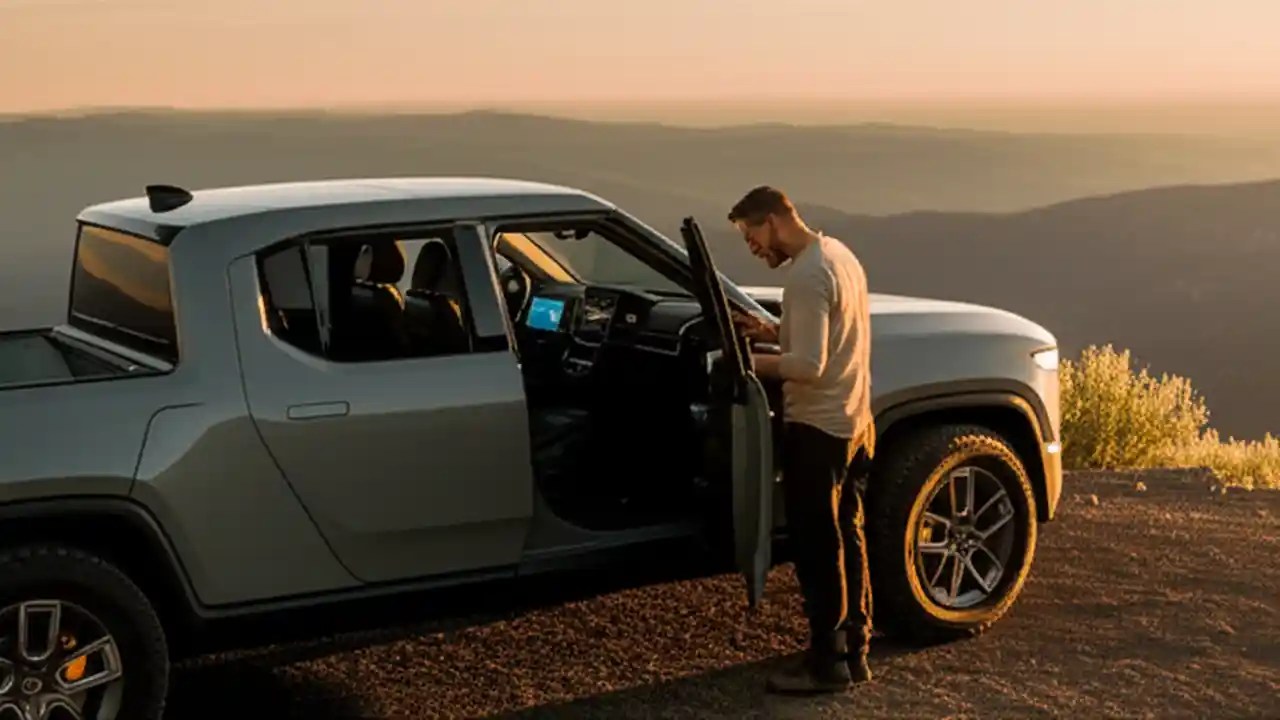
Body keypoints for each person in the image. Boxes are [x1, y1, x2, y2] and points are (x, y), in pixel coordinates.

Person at [727, 186, 876, 695]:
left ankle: (824, 666)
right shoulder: (839, 255)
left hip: (819, 428)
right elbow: (827, 339)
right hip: (857, 423)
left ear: (772, 221)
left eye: (752, 238)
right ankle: (854, 650)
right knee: (848, 534)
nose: (754, 250)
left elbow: (807, 368)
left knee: (818, 546)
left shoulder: (807, 278)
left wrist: (744, 363)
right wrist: (771, 330)